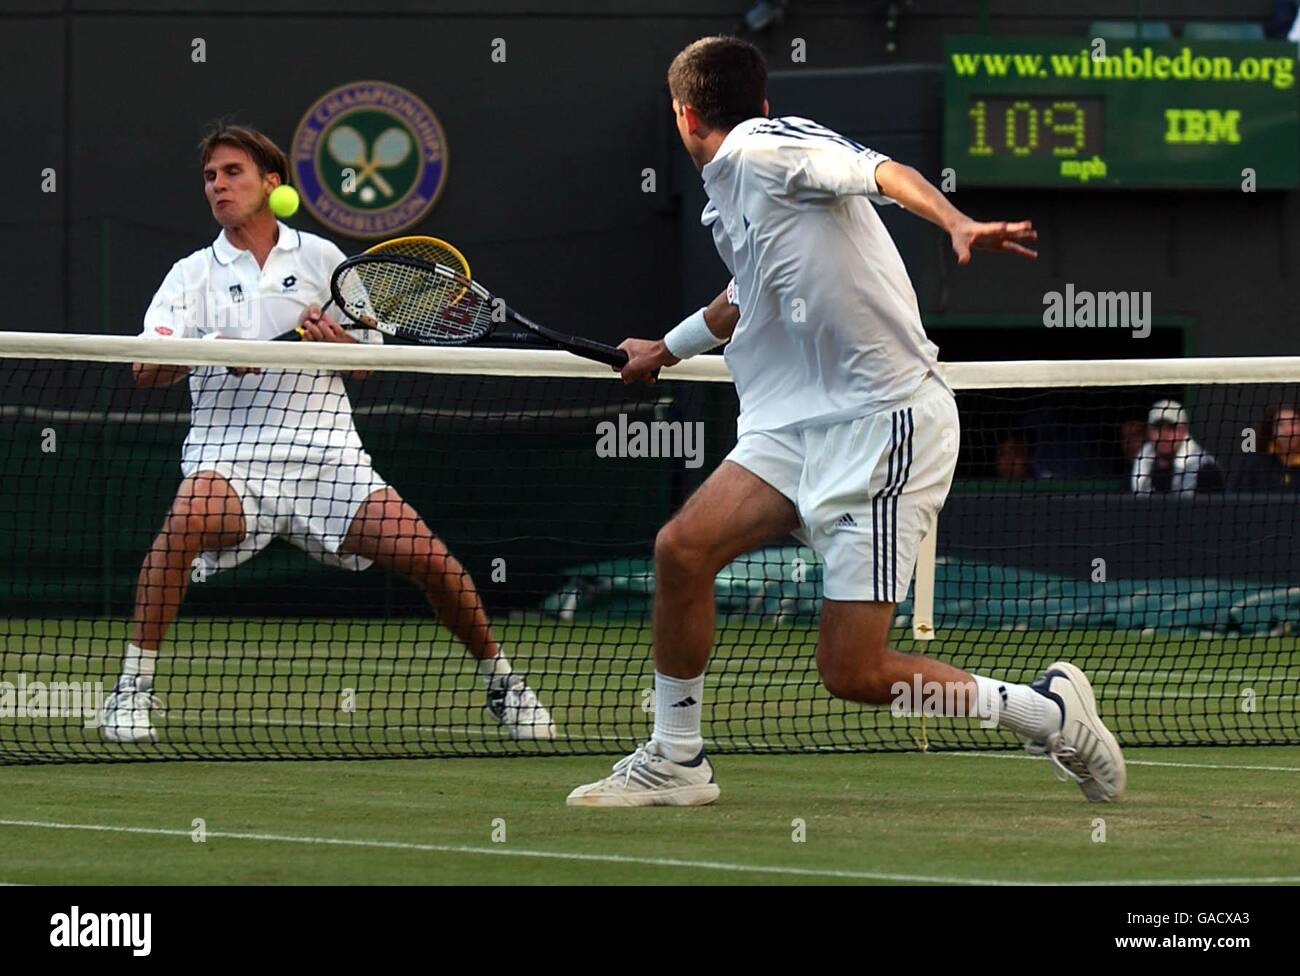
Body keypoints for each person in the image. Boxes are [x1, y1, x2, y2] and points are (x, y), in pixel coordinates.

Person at [566, 36, 1125, 806]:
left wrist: (954, 221)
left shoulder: (768, 146)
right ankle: (677, 758)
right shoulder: (735, 192)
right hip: (789, 431)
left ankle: (1046, 713)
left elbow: (881, 172)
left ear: (684, 115)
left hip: (882, 424)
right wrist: (663, 348)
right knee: (681, 552)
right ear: (753, 101)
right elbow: (742, 300)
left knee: (853, 673)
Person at [102, 124, 554, 743]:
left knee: (434, 562)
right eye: (210, 177)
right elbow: (144, 369)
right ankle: (132, 691)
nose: (218, 186)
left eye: (232, 172)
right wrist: (211, 349)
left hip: (328, 458)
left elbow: (366, 361)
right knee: (182, 525)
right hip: (229, 461)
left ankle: (504, 685)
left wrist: (335, 347)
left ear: (272, 184)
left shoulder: (323, 262)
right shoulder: (190, 275)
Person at [1130, 399, 1224, 495]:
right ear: (1148, 432)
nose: (1163, 435)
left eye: (1171, 428)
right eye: (1158, 427)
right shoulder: (1141, 464)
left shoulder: (1206, 469)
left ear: (1184, 430)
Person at [1235, 403, 1300, 490]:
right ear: (1271, 429)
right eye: (1280, 424)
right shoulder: (1254, 463)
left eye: (1294, 423)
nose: (1287, 430)